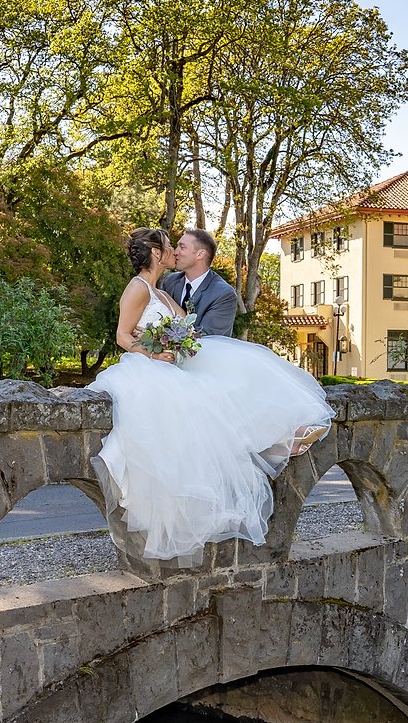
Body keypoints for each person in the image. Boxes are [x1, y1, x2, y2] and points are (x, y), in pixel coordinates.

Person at [89, 227, 333, 563]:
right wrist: (153, 351)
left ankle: (282, 435)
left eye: (182, 246)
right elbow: (122, 334)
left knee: (234, 381)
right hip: (150, 368)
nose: (176, 250)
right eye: (171, 246)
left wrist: (173, 342)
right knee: (203, 410)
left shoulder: (164, 291)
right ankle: (270, 445)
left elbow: (188, 328)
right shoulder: (141, 288)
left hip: (180, 360)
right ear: (157, 253)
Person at [159, 228, 241, 336]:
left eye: (182, 247)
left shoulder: (223, 294)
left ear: (200, 254)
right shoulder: (170, 281)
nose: (175, 252)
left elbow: (207, 337)